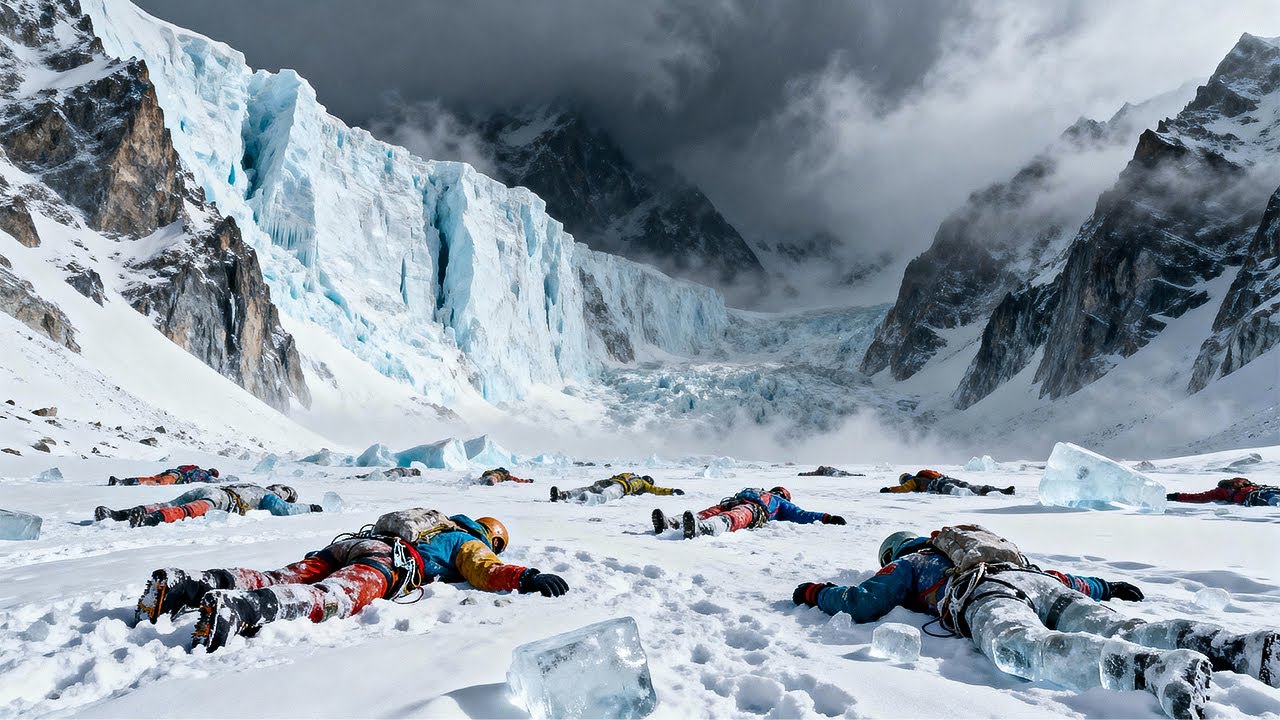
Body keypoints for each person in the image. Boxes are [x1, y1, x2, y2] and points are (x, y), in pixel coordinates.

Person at [792, 526, 1279, 719]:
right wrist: (1104, 587)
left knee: (1021, 646)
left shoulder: (913, 561)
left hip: (987, 593)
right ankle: (1244, 648)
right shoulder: (976, 544)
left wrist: (811, 592)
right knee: (1123, 625)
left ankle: (1152, 670)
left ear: (894, 551)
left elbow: (861, 603)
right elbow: (1054, 577)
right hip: (1039, 581)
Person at [135, 508, 569, 652]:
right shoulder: (465, 540)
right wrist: (527, 576)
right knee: (332, 597)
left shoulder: (436, 520)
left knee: (276, 574)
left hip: (353, 544)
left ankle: (185, 584)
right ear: (491, 534)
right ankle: (241, 610)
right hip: (388, 560)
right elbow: (486, 570)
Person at [653, 486, 845, 539]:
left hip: (753, 510)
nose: (777, 493)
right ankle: (672, 523)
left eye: (780, 493)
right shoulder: (763, 493)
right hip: (736, 501)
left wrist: (826, 518)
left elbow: (802, 515)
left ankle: (705, 528)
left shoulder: (779, 503)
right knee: (709, 511)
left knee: (735, 516)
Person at [95, 483, 319, 527]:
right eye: (285, 493)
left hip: (215, 489)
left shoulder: (251, 485)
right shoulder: (266, 495)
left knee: (170, 502)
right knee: (189, 510)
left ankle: (118, 515)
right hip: (223, 499)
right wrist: (311, 508)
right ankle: (151, 519)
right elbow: (284, 510)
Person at [550, 472, 682, 504]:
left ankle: (564, 495)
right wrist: (672, 490)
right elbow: (657, 490)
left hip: (608, 481)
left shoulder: (628, 474)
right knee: (607, 495)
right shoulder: (642, 482)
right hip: (621, 486)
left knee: (590, 488)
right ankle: (588, 499)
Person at [881, 469, 1014, 496]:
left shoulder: (914, 481)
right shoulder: (925, 476)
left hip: (939, 485)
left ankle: (969, 495)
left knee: (957, 492)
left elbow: (904, 489)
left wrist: (890, 489)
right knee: (973, 487)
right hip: (946, 478)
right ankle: (1002, 491)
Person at [1166, 477, 1279, 507]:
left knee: (1271, 498)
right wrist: (1177, 496)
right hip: (1260, 492)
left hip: (1252, 496)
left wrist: (1176, 496)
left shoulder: (1219, 491)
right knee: (1272, 497)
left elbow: (1199, 497)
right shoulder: (1240, 481)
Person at [108, 464, 219, 486]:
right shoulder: (204, 474)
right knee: (157, 483)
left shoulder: (194, 467)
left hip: (172, 472)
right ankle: (122, 483)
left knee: (150, 479)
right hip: (177, 477)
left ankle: (122, 481)